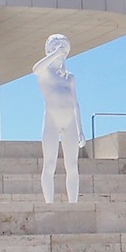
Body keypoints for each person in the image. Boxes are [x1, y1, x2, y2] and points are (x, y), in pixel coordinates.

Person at [34, 33, 83, 201]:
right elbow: (35, 69)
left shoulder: (70, 77)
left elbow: (76, 103)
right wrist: (54, 54)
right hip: (52, 121)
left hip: (69, 122)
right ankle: (49, 203)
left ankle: (73, 203)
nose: (62, 50)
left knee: (72, 166)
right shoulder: (45, 73)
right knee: (49, 164)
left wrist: (80, 130)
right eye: (57, 46)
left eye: (64, 47)